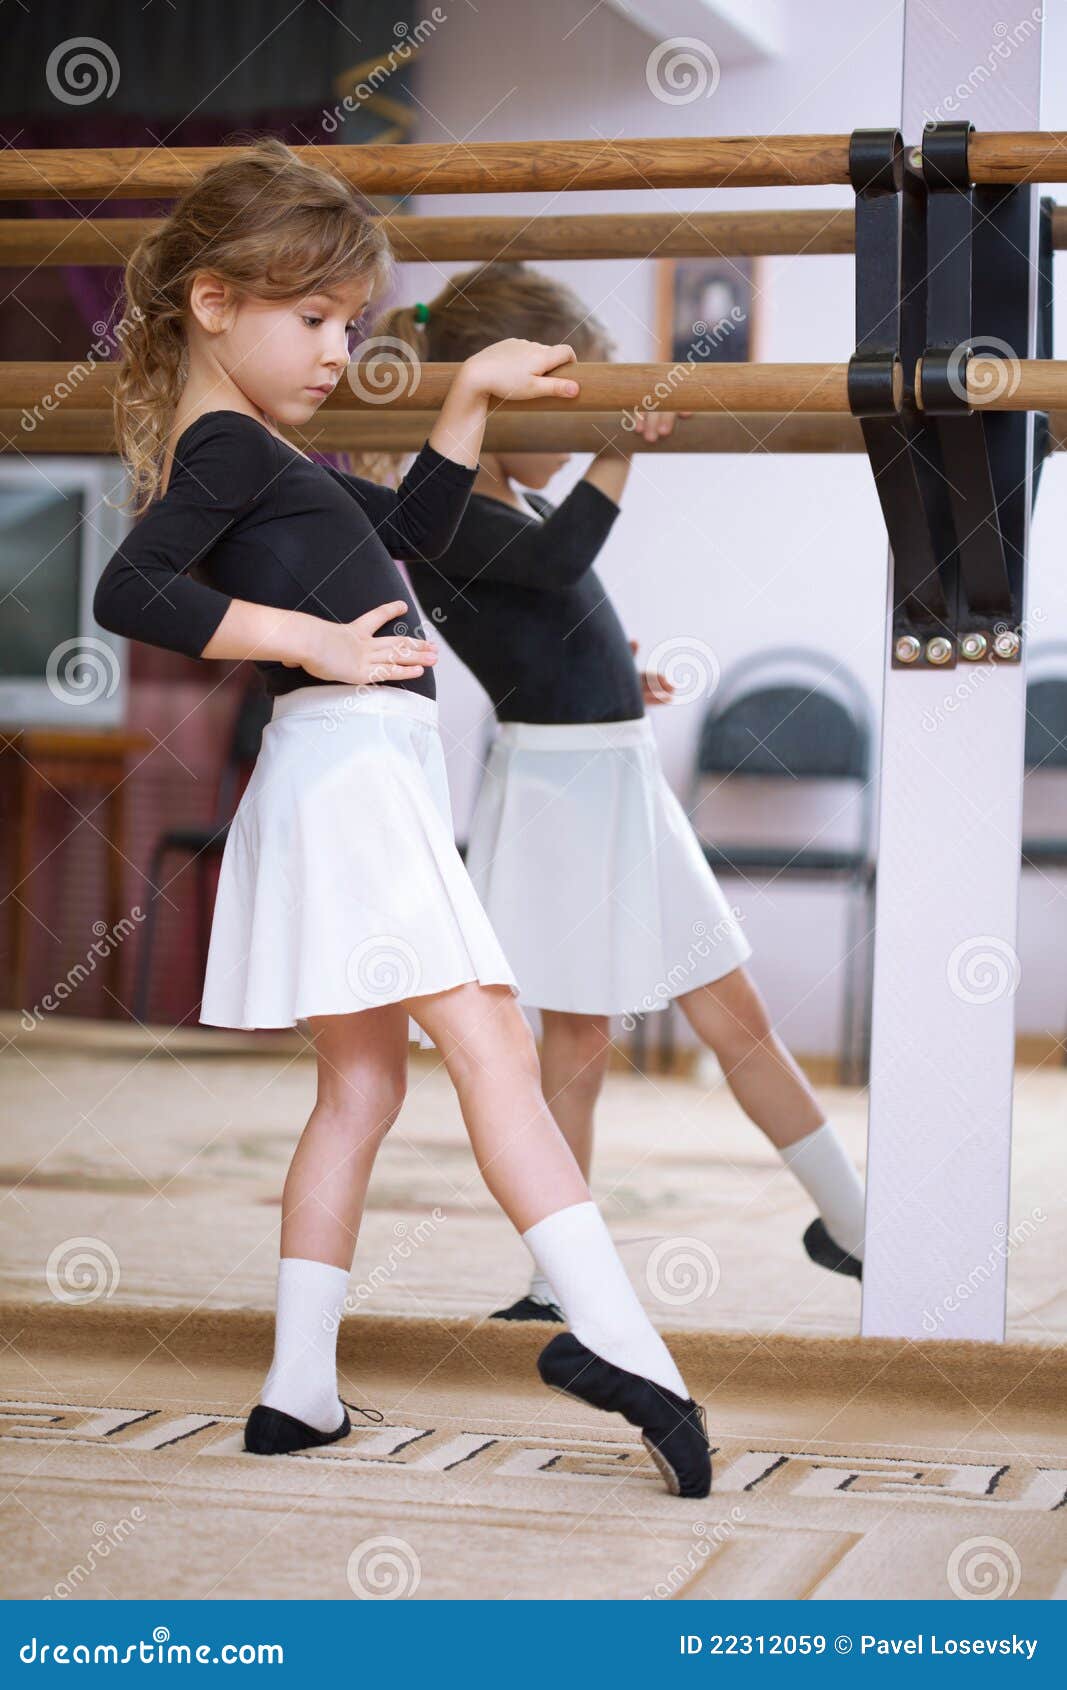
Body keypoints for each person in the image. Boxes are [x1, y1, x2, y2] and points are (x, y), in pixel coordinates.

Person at [91, 141, 710, 1497]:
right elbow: (129, 590)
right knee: (491, 1040)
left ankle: (296, 1389)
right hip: (352, 772)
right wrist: (307, 637)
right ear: (213, 304)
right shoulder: (223, 448)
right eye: (312, 319)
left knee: (362, 1086)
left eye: (350, 322)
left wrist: (469, 397)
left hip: (351, 772)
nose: (338, 350)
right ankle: (621, 1343)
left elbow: (419, 534)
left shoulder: (261, 451)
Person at [371, 262, 866, 1323]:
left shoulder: (516, 495)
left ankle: (855, 1223)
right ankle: (559, 1277)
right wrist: (620, 444)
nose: (572, 436)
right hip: (561, 794)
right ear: (495, 400)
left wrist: (615, 675)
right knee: (577, 1045)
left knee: (733, 1013)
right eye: (564, 412)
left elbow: (542, 620)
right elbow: (556, 566)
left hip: (616, 772)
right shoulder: (439, 510)